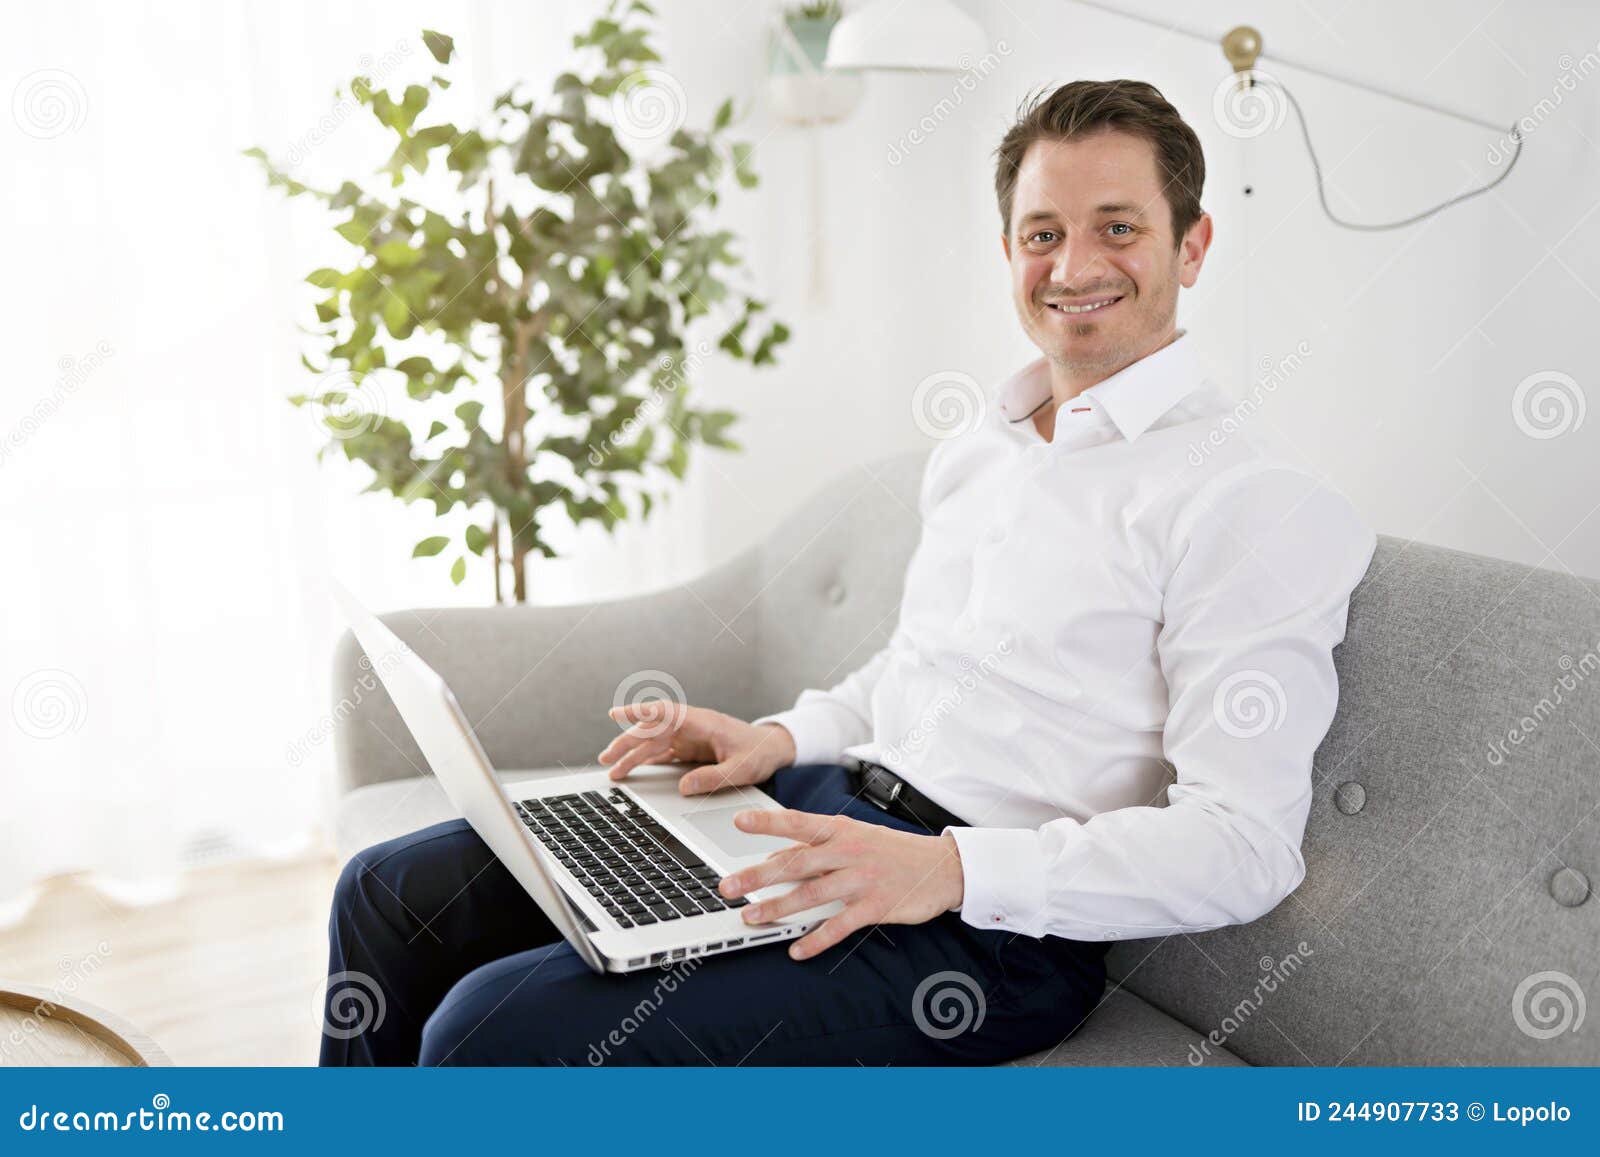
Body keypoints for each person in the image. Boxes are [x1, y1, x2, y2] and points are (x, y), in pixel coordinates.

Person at [321, 79, 1376, 1066]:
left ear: (1190, 245)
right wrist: (777, 736)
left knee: (487, 1029)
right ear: (1007, 249)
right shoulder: (987, 440)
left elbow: (1244, 845)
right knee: (386, 892)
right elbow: (915, 668)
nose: (1073, 265)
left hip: (983, 933)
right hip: (821, 803)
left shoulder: (1247, 497)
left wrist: (948, 869)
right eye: (1041, 234)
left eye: (1118, 226)